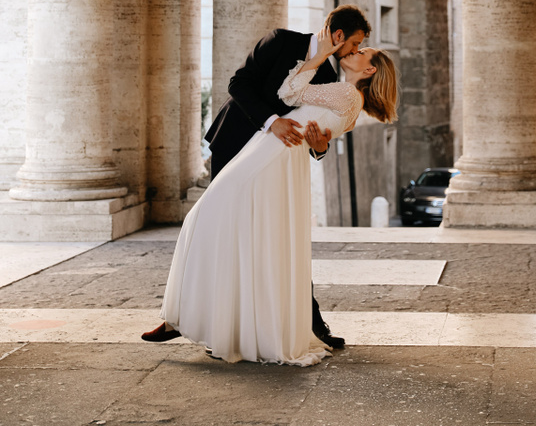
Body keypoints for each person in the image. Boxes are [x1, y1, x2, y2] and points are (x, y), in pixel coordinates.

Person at [142, 25, 398, 366]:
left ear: (369, 70)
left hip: (269, 157)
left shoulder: (338, 84)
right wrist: (273, 121)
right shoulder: (283, 42)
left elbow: (300, 105)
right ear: (337, 34)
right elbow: (239, 84)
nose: (354, 50)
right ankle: (199, 321)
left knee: (242, 235)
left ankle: (223, 326)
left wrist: (320, 145)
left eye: (361, 50)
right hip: (239, 138)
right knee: (230, 233)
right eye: (355, 43)